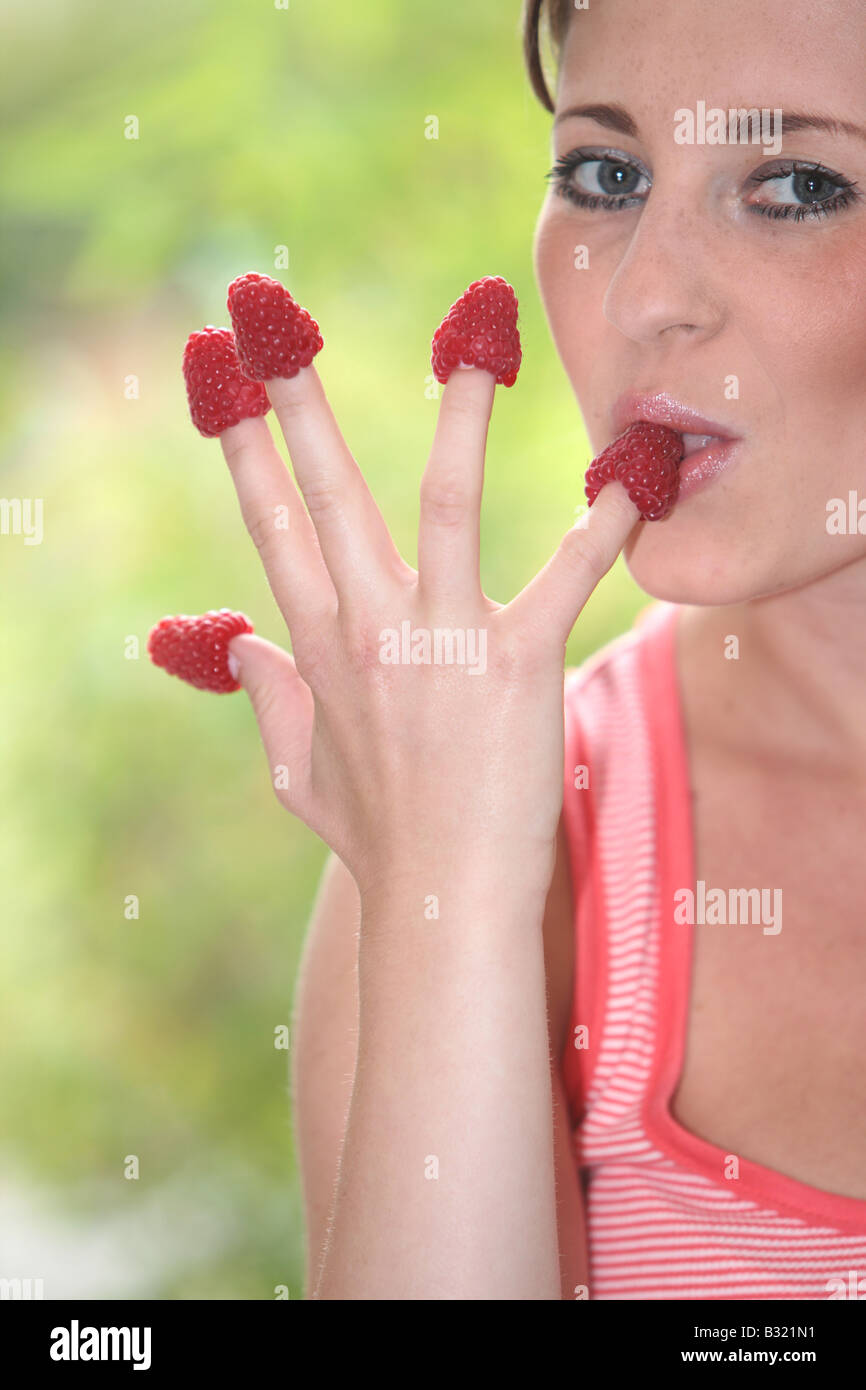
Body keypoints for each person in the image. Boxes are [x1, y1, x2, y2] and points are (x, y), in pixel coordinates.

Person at [218, 0, 866, 1298]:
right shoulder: (497, 835)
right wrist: (440, 893)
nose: (642, 295)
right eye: (604, 174)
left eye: (794, 183)